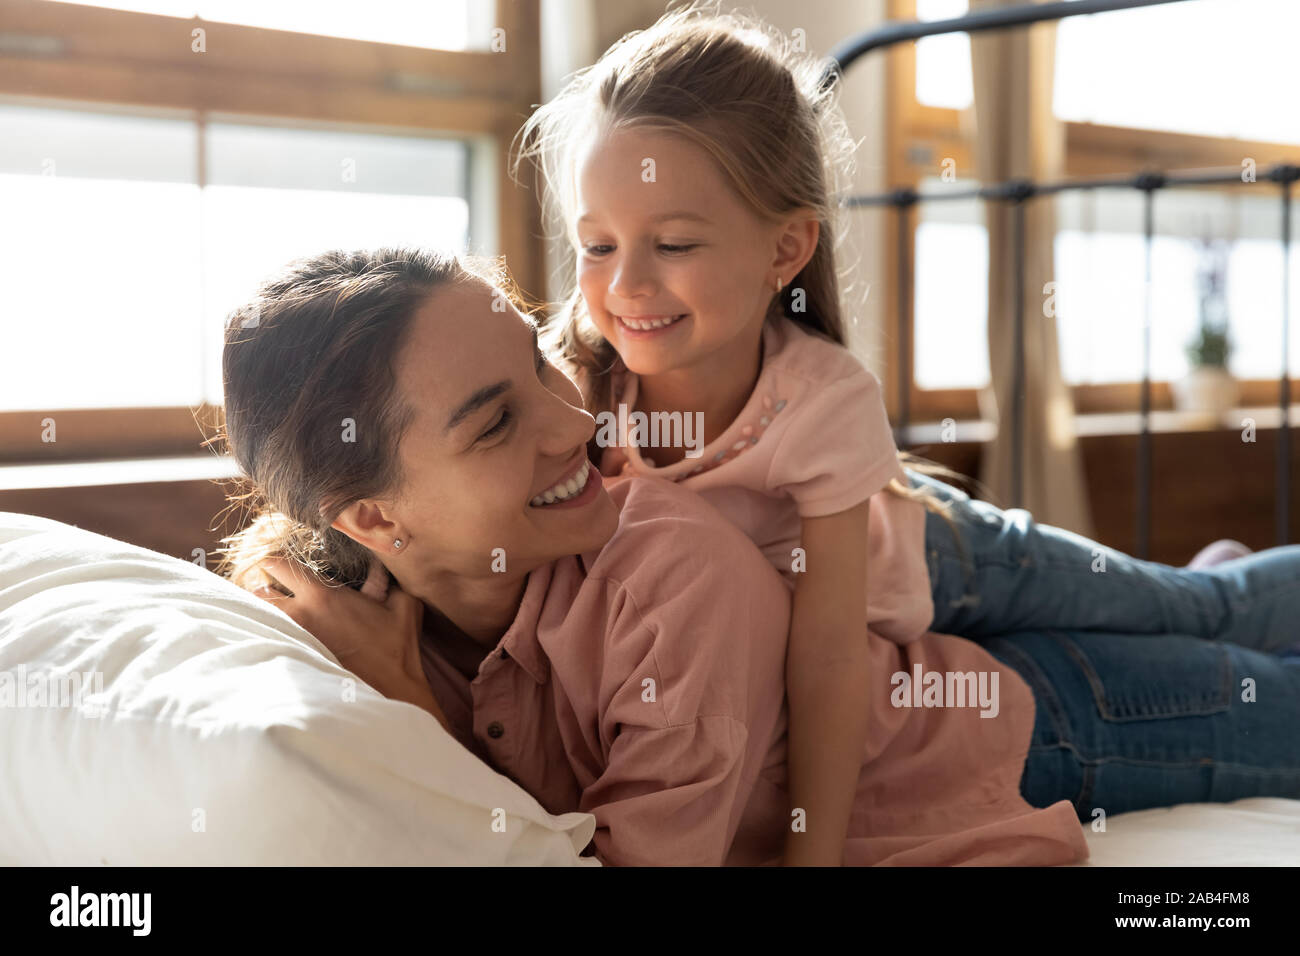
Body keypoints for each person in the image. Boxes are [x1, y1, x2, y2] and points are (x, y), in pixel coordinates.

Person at [513, 3, 1300, 864]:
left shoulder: (819, 396)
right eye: (595, 245)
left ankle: (1211, 590)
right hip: (888, 614)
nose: (625, 282)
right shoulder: (577, 390)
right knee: (1159, 629)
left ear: (786, 251)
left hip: (938, 555)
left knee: (1188, 607)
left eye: (672, 243)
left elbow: (825, 657)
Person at [216, 247, 1095, 865]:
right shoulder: (318, 636)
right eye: (496, 423)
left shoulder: (669, 573)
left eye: (538, 366)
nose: (576, 423)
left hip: (1019, 731)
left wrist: (416, 721)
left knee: (1229, 627)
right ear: (369, 518)